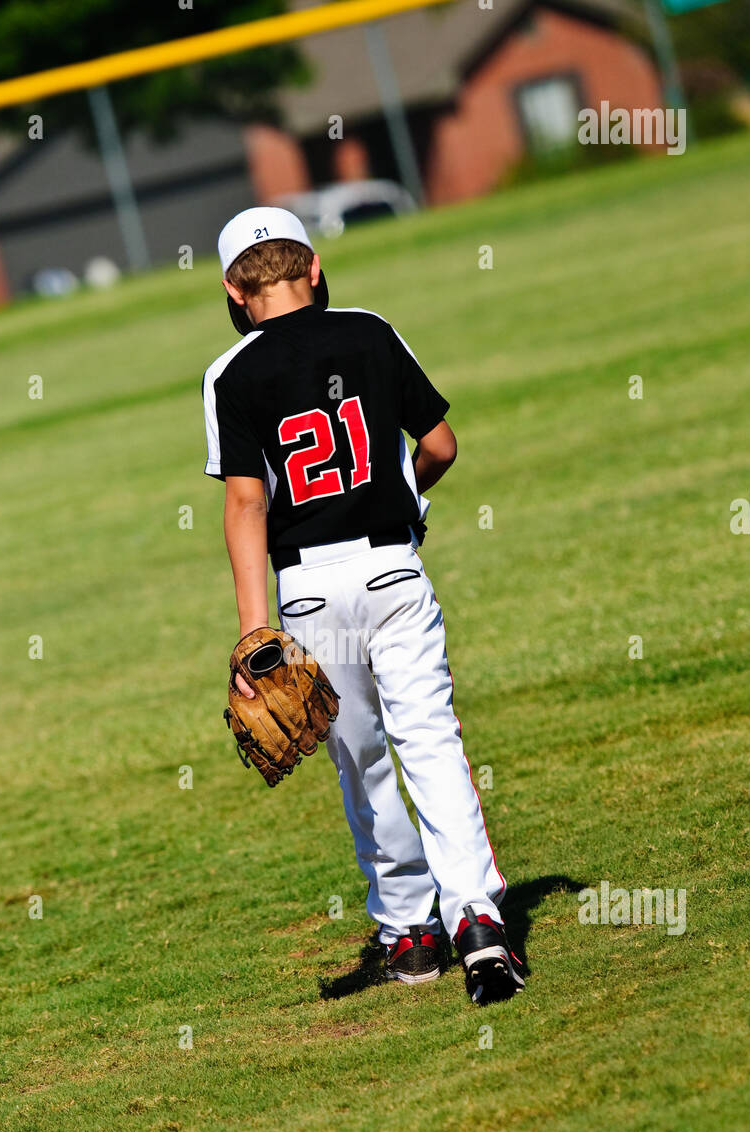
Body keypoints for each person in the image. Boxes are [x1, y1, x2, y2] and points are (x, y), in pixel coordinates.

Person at [203, 207, 523, 1004]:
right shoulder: (369, 331)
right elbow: (441, 443)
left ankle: (409, 935)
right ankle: (479, 925)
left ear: (234, 292)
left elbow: (246, 505)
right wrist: (407, 496)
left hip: (308, 593)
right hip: (392, 575)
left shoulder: (231, 374)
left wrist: (254, 634)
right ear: (312, 267)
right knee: (431, 743)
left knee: (362, 758)